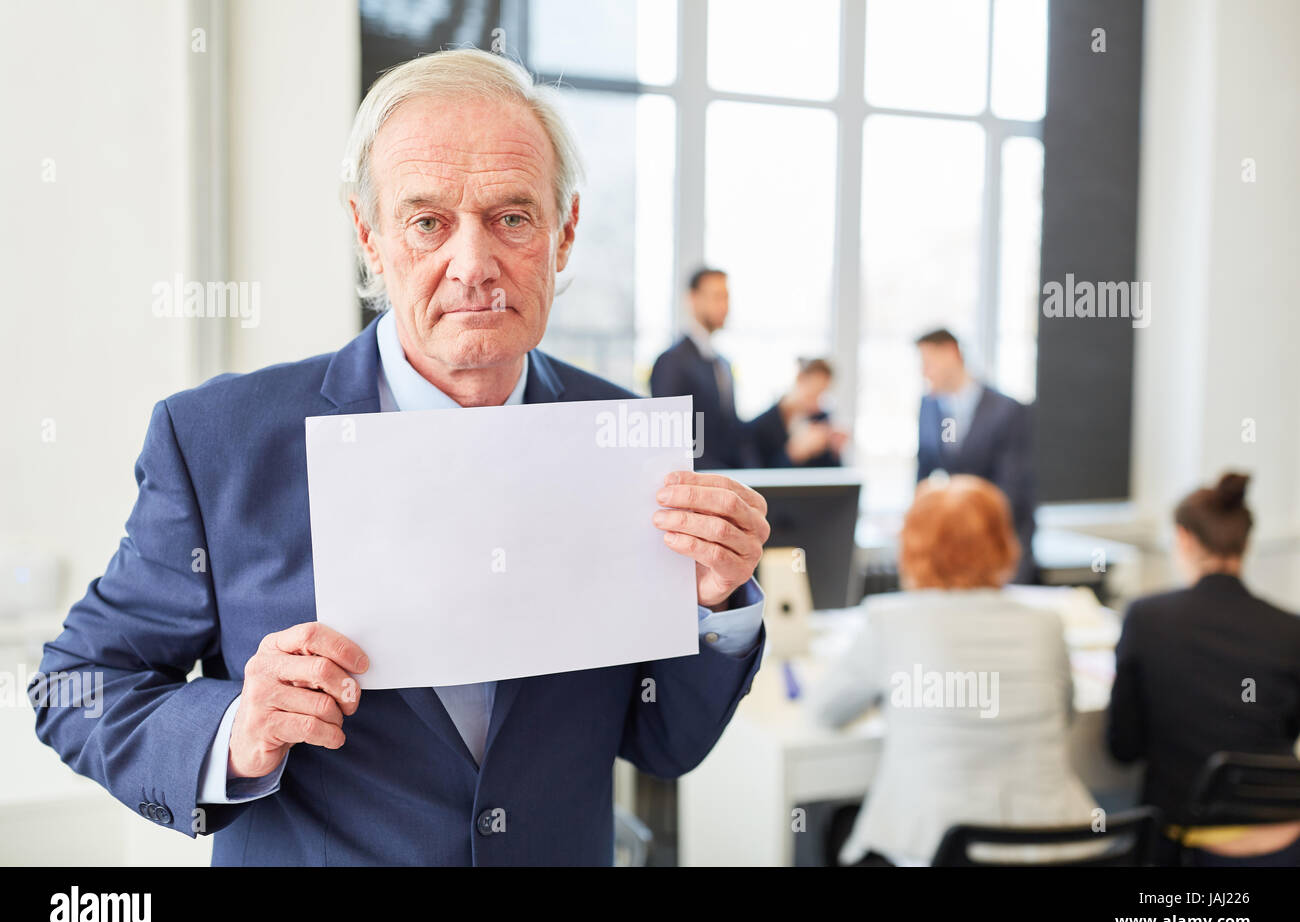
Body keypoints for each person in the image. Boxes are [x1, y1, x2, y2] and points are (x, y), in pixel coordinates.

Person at [29, 49, 771, 866]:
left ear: (563, 234)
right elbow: (79, 686)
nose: (473, 265)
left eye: (512, 217)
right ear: (369, 236)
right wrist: (237, 730)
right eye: (427, 222)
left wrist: (715, 603)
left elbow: (663, 744)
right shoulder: (218, 442)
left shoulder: (631, 440)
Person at [807, 475, 1095, 866]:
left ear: (912, 546)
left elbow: (824, 712)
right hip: (1056, 848)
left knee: (831, 828)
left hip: (931, 850)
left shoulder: (889, 621)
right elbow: (1065, 715)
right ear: (1003, 543)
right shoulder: (1047, 622)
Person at [1107, 473, 1300, 866]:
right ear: (1246, 544)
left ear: (1183, 538)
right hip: (1287, 837)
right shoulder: (1291, 629)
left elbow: (1122, 747)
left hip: (1189, 841)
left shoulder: (1147, 619)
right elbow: (1285, 732)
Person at [915, 328, 1036, 583]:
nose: (924, 372)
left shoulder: (1006, 410)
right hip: (950, 551)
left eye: (928, 363)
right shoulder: (929, 406)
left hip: (997, 544)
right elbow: (923, 472)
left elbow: (1012, 489)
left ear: (951, 353)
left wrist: (966, 526)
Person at [650, 268, 754, 469]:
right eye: (717, 297)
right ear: (693, 299)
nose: (725, 306)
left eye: (727, 297)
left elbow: (732, 431)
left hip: (730, 479)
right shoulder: (671, 362)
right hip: (698, 483)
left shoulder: (722, 363)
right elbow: (670, 443)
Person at [748, 358, 849, 468]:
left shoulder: (821, 418)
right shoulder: (760, 426)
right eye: (812, 394)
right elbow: (757, 476)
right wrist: (792, 454)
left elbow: (832, 474)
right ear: (799, 380)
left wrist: (835, 450)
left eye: (821, 394)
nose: (816, 402)